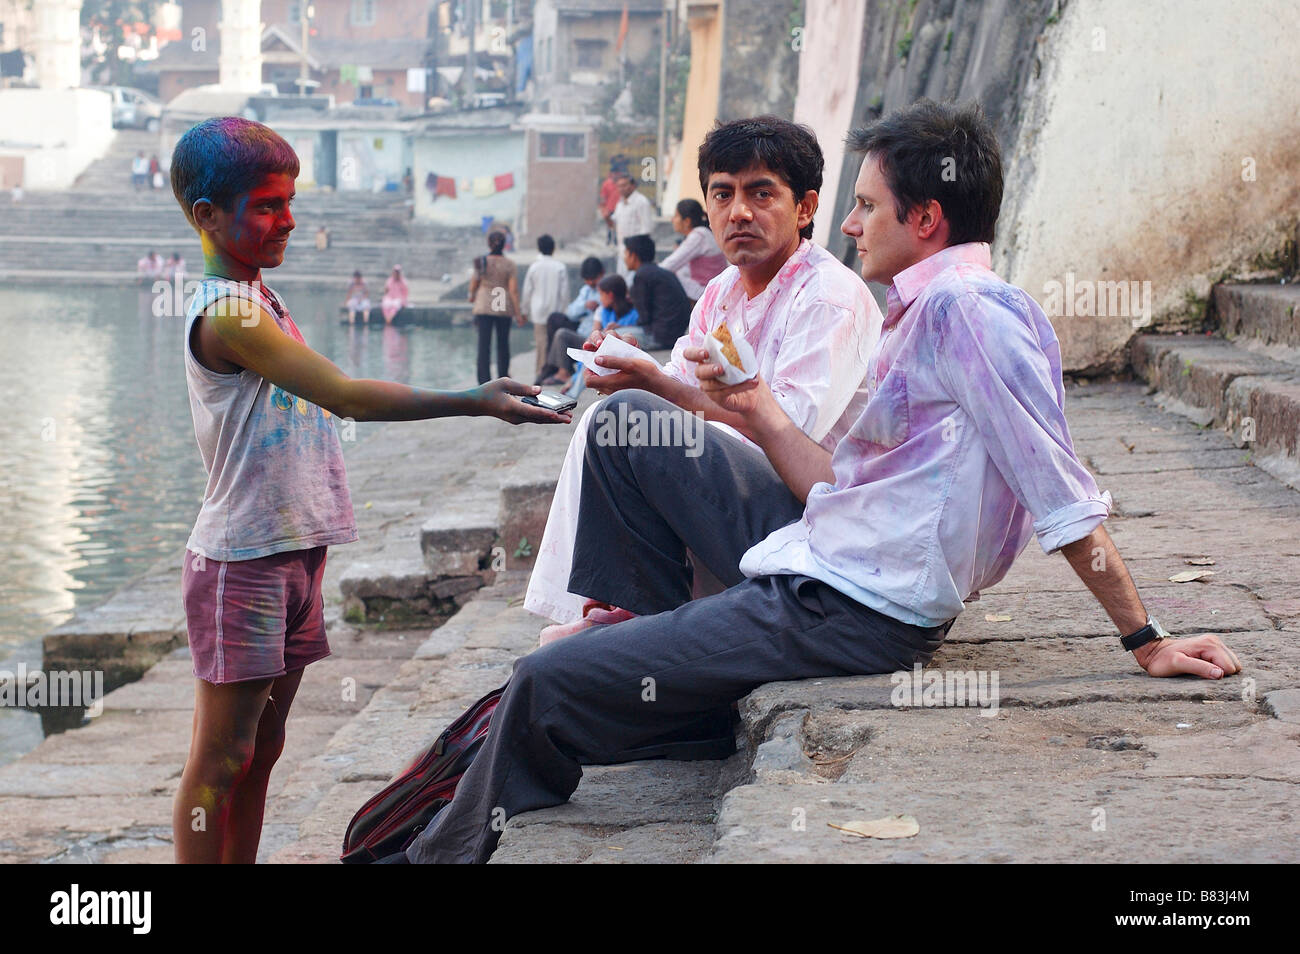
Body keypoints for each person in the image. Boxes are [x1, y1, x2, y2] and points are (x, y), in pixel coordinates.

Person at [397, 101, 1243, 865]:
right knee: (590, 599)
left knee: (547, 681)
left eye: (867, 206)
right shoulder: (930, 310)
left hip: (852, 611)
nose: (849, 222)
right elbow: (841, 482)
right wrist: (754, 407)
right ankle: (663, 697)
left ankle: (436, 855)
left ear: (926, 216)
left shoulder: (967, 314)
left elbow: (1061, 493)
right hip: (825, 569)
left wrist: (1146, 639)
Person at [167, 116, 569, 865]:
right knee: (220, 760)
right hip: (242, 562)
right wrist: (474, 398)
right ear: (207, 216)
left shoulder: (261, 298)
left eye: (290, 202)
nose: (287, 221)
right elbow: (348, 396)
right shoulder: (225, 313)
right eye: (265, 206)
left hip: (294, 553)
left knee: (266, 748)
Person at [524, 116, 879, 633]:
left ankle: (649, 613)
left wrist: (655, 387)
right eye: (722, 195)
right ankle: (635, 602)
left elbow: (784, 434)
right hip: (745, 502)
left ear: (804, 208)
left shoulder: (828, 297)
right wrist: (635, 365)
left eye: (761, 194)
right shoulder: (722, 293)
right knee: (614, 416)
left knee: (634, 419)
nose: (738, 212)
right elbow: (682, 376)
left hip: (813, 522)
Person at [537, 256, 605, 385]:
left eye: (593, 279)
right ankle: (551, 367)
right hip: (581, 331)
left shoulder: (606, 290)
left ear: (601, 273)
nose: (590, 283)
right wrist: (585, 306)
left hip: (593, 336)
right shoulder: (586, 291)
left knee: (561, 334)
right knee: (555, 319)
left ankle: (560, 371)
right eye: (587, 280)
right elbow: (570, 312)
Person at [621, 234, 691, 350]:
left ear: (633, 255)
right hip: (673, 333)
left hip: (659, 337)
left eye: (626, 253)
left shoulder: (642, 275)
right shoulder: (658, 271)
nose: (624, 258)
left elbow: (644, 318)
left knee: (610, 336)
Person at [469, 230, 521, 384]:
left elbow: (474, 283)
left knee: (483, 345)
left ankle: (484, 382)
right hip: (503, 305)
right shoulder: (509, 264)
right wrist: (518, 313)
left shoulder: (481, 261)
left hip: (484, 304)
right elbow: (513, 290)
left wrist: (471, 295)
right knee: (503, 345)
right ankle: (503, 379)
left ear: (488, 243)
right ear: (505, 244)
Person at [519, 234, 570, 378]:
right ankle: (551, 371)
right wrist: (564, 311)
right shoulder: (560, 267)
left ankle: (540, 372)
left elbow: (527, 291)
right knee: (554, 343)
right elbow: (564, 294)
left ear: (539, 248)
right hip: (556, 312)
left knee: (541, 344)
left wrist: (524, 311)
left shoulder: (534, 267)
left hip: (538, 312)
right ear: (553, 248)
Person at [660, 198, 727, 304]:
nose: (672, 220)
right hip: (710, 291)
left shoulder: (699, 236)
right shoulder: (703, 233)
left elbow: (669, 265)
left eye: (676, 216)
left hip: (706, 293)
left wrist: (649, 272)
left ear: (687, 221)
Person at [606, 173, 654, 281]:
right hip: (623, 253)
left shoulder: (641, 202)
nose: (621, 189)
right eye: (619, 186)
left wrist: (637, 253)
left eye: (624, 185)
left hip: (636, 256)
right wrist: (606, 217)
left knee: (635, 283)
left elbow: (647, 229)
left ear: (633, 185)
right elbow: (613, 225)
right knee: (623, 284)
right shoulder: (620, 204)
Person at [598, 166, 622, 245]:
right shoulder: (607, 184)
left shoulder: (622, 183)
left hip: (619, 208)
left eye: (617, 174)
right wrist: (603, 208)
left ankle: (616, 239)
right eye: (614, 174)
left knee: (617, 225)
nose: (615, 175)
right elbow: (603, 197)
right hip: (610, 208)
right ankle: (609, 239)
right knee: (609, 225)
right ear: (611, 174)